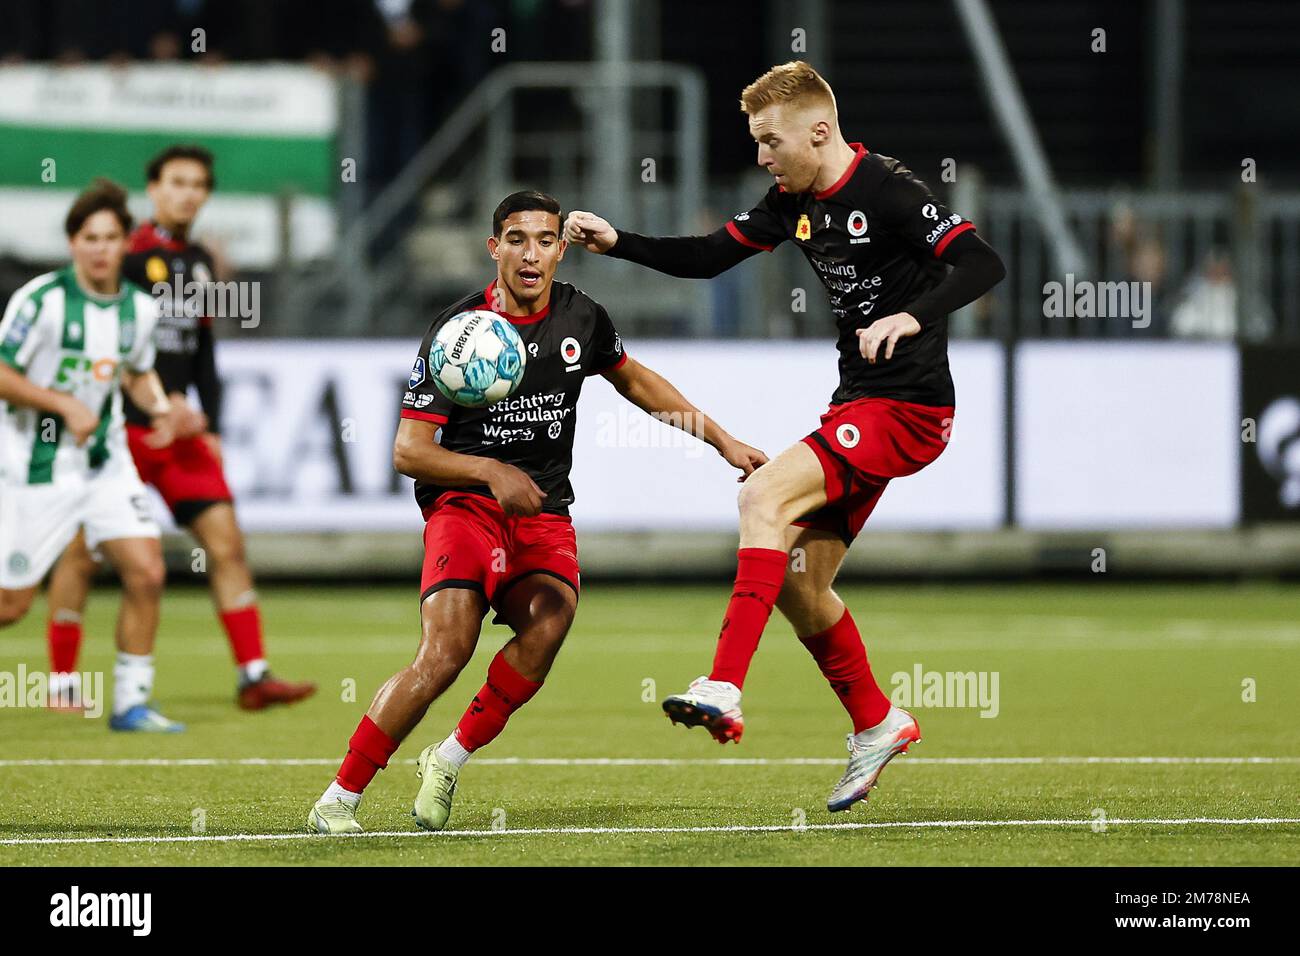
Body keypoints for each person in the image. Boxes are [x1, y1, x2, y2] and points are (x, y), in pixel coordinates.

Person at [564, 61, 1006, 811]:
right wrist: (619, 243)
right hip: (859, 405)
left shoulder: (888, 190)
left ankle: (724, 685)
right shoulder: (790, 202)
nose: (763, 156)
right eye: (758, 142)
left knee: (763, 493)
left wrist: (912, 315)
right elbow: (708, 257)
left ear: (819, 131)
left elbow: (981, 261)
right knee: (801, 585)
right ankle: (878, 722)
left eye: (771, 141)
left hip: (910, 408)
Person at [307, 190, 767, 834]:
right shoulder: (458, 332)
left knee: (550, 624)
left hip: (543, 512)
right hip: (465, 507)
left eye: (546, 240)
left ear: (561, 247)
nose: (531, 253)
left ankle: (448, 757)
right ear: (493, 247)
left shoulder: (582, 318)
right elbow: (409, 451)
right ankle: (340, 796)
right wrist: (491, 470)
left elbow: (637, 382)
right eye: (516, 239)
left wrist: (722, 440)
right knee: (446, 653)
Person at [44, 145, 316, 712]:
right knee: (81, 550)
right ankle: (62, 683)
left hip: (180, 434)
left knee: (227, 543)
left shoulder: (197, 260)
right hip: (119, 430)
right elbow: (102, 342)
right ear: (154, 187)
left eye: (198, 184)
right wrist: (155, 402)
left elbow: (203, 350)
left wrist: (207, 420)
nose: (188, 193)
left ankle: (254, 674)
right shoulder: (124, 252)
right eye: (177, 182)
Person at [0, 179, 183, 731]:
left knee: (147, 571)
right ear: (72, 243)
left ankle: (131, 702)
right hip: (34, 468)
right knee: (11, 606)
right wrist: (60, 402)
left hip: (105, 465)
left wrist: (161, 409)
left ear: (127, 242)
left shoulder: (137, 311)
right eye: (89, 237)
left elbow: (136, 370)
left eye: (110, 237)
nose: (101, 248)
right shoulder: (41, 301)